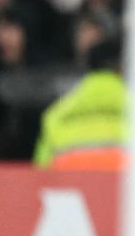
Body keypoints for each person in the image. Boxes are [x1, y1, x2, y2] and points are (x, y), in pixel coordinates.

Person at [33, 38, 128, 169]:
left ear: (88, 67)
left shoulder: (55, 115)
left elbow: (41, 174)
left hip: (72, 187)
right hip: (125, 189)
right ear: (122, 67)